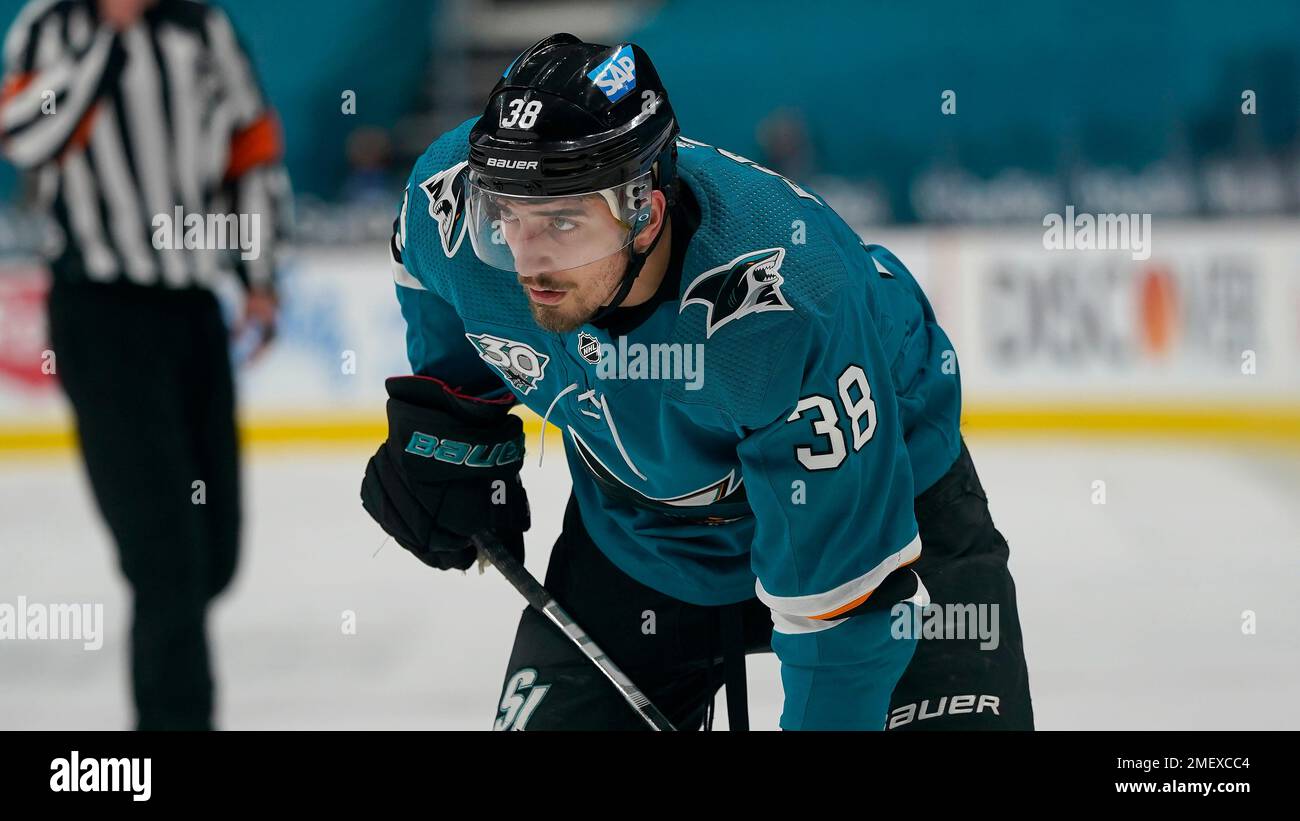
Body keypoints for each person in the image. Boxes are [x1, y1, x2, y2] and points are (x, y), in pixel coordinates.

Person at [361, 33, 1032, 730]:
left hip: (889, 497)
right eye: (507, 217)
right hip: (644, 535)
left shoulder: (791, 308)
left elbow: (844, 631)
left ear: (645, 214)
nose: (528, 260)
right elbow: (424, 264)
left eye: (562, 220)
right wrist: (459, 415)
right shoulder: (452, 202)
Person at [0, 0, 290, 729]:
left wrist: (258, 276)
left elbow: (250, 147)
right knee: (166, 559)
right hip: (100, 315)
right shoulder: (46, 27)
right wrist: (108, 37)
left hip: (192, 312)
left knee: (213, 555)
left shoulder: (203, 26)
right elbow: (25, 136)